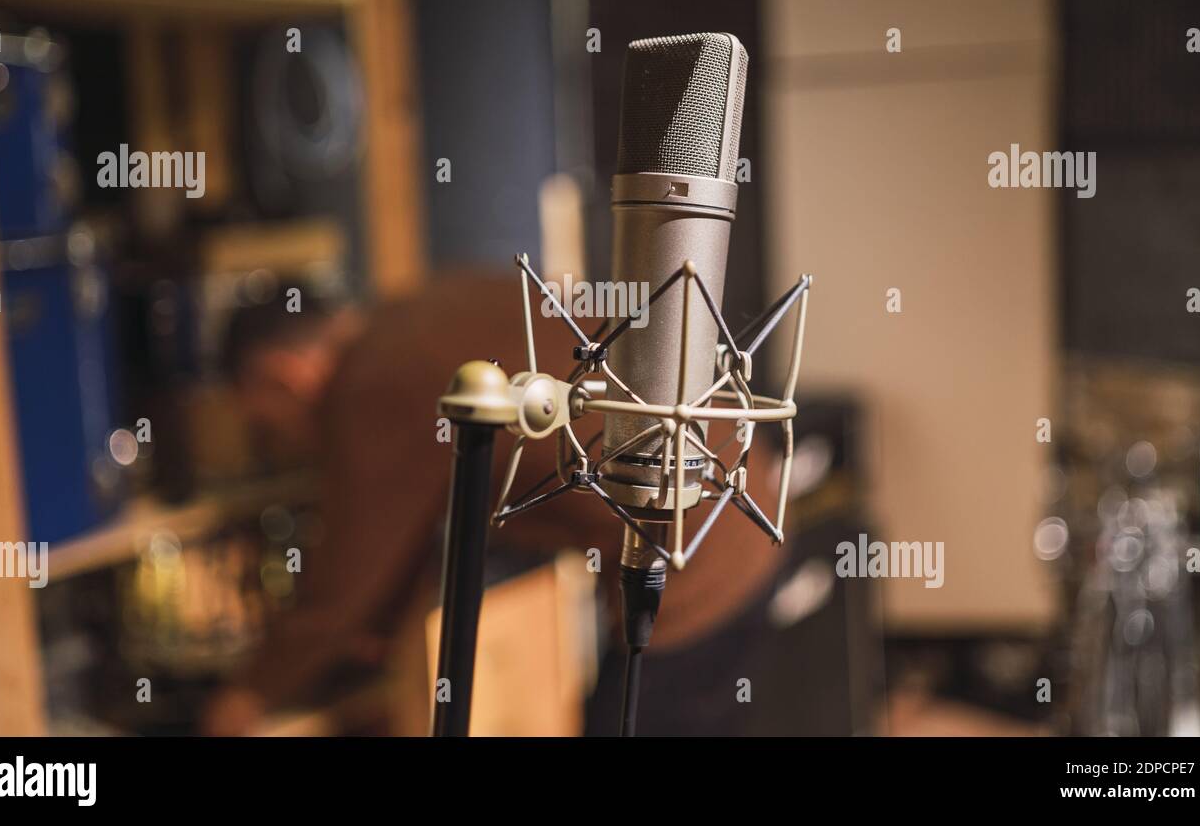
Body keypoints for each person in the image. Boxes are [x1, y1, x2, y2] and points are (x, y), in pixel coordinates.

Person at [202, 272, 786, 735]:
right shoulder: (410, 321)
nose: (281, 443)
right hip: (735, 493)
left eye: (267, 425)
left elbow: (345, 578)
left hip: (699, 554)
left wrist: (246, 696)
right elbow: (407, 524)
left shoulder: (370, 382)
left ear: (282, 378)